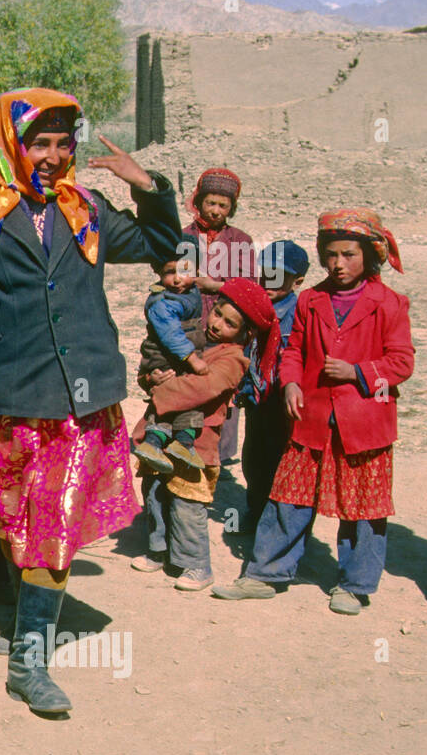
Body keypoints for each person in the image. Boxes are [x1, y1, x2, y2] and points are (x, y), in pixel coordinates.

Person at [0, 88, 181, 715]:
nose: (52, 156)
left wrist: (150, 186)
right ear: (11, 144)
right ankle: (30, 614)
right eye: (38, 143)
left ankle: (29, 661)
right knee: (17, 523)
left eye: (62, 142)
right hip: (9, 394)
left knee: (49, 526)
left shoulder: (92, 211)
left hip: (79, 401)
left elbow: (165, 247)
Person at [213, 210, 414, 614]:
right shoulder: (311, 299)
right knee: (288, 497)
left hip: (364, 424)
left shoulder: (388, 304)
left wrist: (358, 372)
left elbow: (402, 362)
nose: (338, 264)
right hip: (313, 418)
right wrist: (290, 382)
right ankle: (265, 574)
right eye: (331, 255)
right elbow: (293, 351)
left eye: (348, 255)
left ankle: (355, 585)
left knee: (362, 506)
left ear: (369, 257)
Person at [131, 279, 275, 591]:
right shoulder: (189, 338)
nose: (217, 324)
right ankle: (159, 550)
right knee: (155, 492)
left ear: (245, 334)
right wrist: (151, 376)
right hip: (161, 432)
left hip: (196, 440)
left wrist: (160, 389)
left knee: (186, 501)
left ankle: (196, 564)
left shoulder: (233, 359)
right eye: (217, 314)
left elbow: (202, 389)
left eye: (229, 323)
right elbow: (156, 360)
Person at [183, 167, 255, 464]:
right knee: (187, 381)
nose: (215, 210)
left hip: (226, 328)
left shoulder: (241, 240)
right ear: (198, 201)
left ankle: (218, 456)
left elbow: (249, 285)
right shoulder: (183, 236)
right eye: (210, 202)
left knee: (222, 388)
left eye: (223, 205)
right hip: (187, 324)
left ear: (231, 208)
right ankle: (182, 445)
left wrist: (217, 286)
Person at [239, 240, 310, 527]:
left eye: (280, 276)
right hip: (256, 397)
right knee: (253, 458)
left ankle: (274, 521)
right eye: (266, 273)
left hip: (283, 400)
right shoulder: (253, 307)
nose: (270, 281)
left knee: (279, 461)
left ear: (298, 281)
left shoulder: (300, 313)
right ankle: (255, 511)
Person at [133, 236, 219, 474]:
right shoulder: (162, 301)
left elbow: (206, 284)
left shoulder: (191, 288)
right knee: (170, 396)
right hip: (166, 356)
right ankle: (153, 444)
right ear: (158, 272)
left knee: (188, 398)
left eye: (185, 270)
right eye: (169, 272)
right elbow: (171, 335)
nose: (178, 279)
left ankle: (183, 442)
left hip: (180, 356)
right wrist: (192, 359)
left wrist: (219, 286)